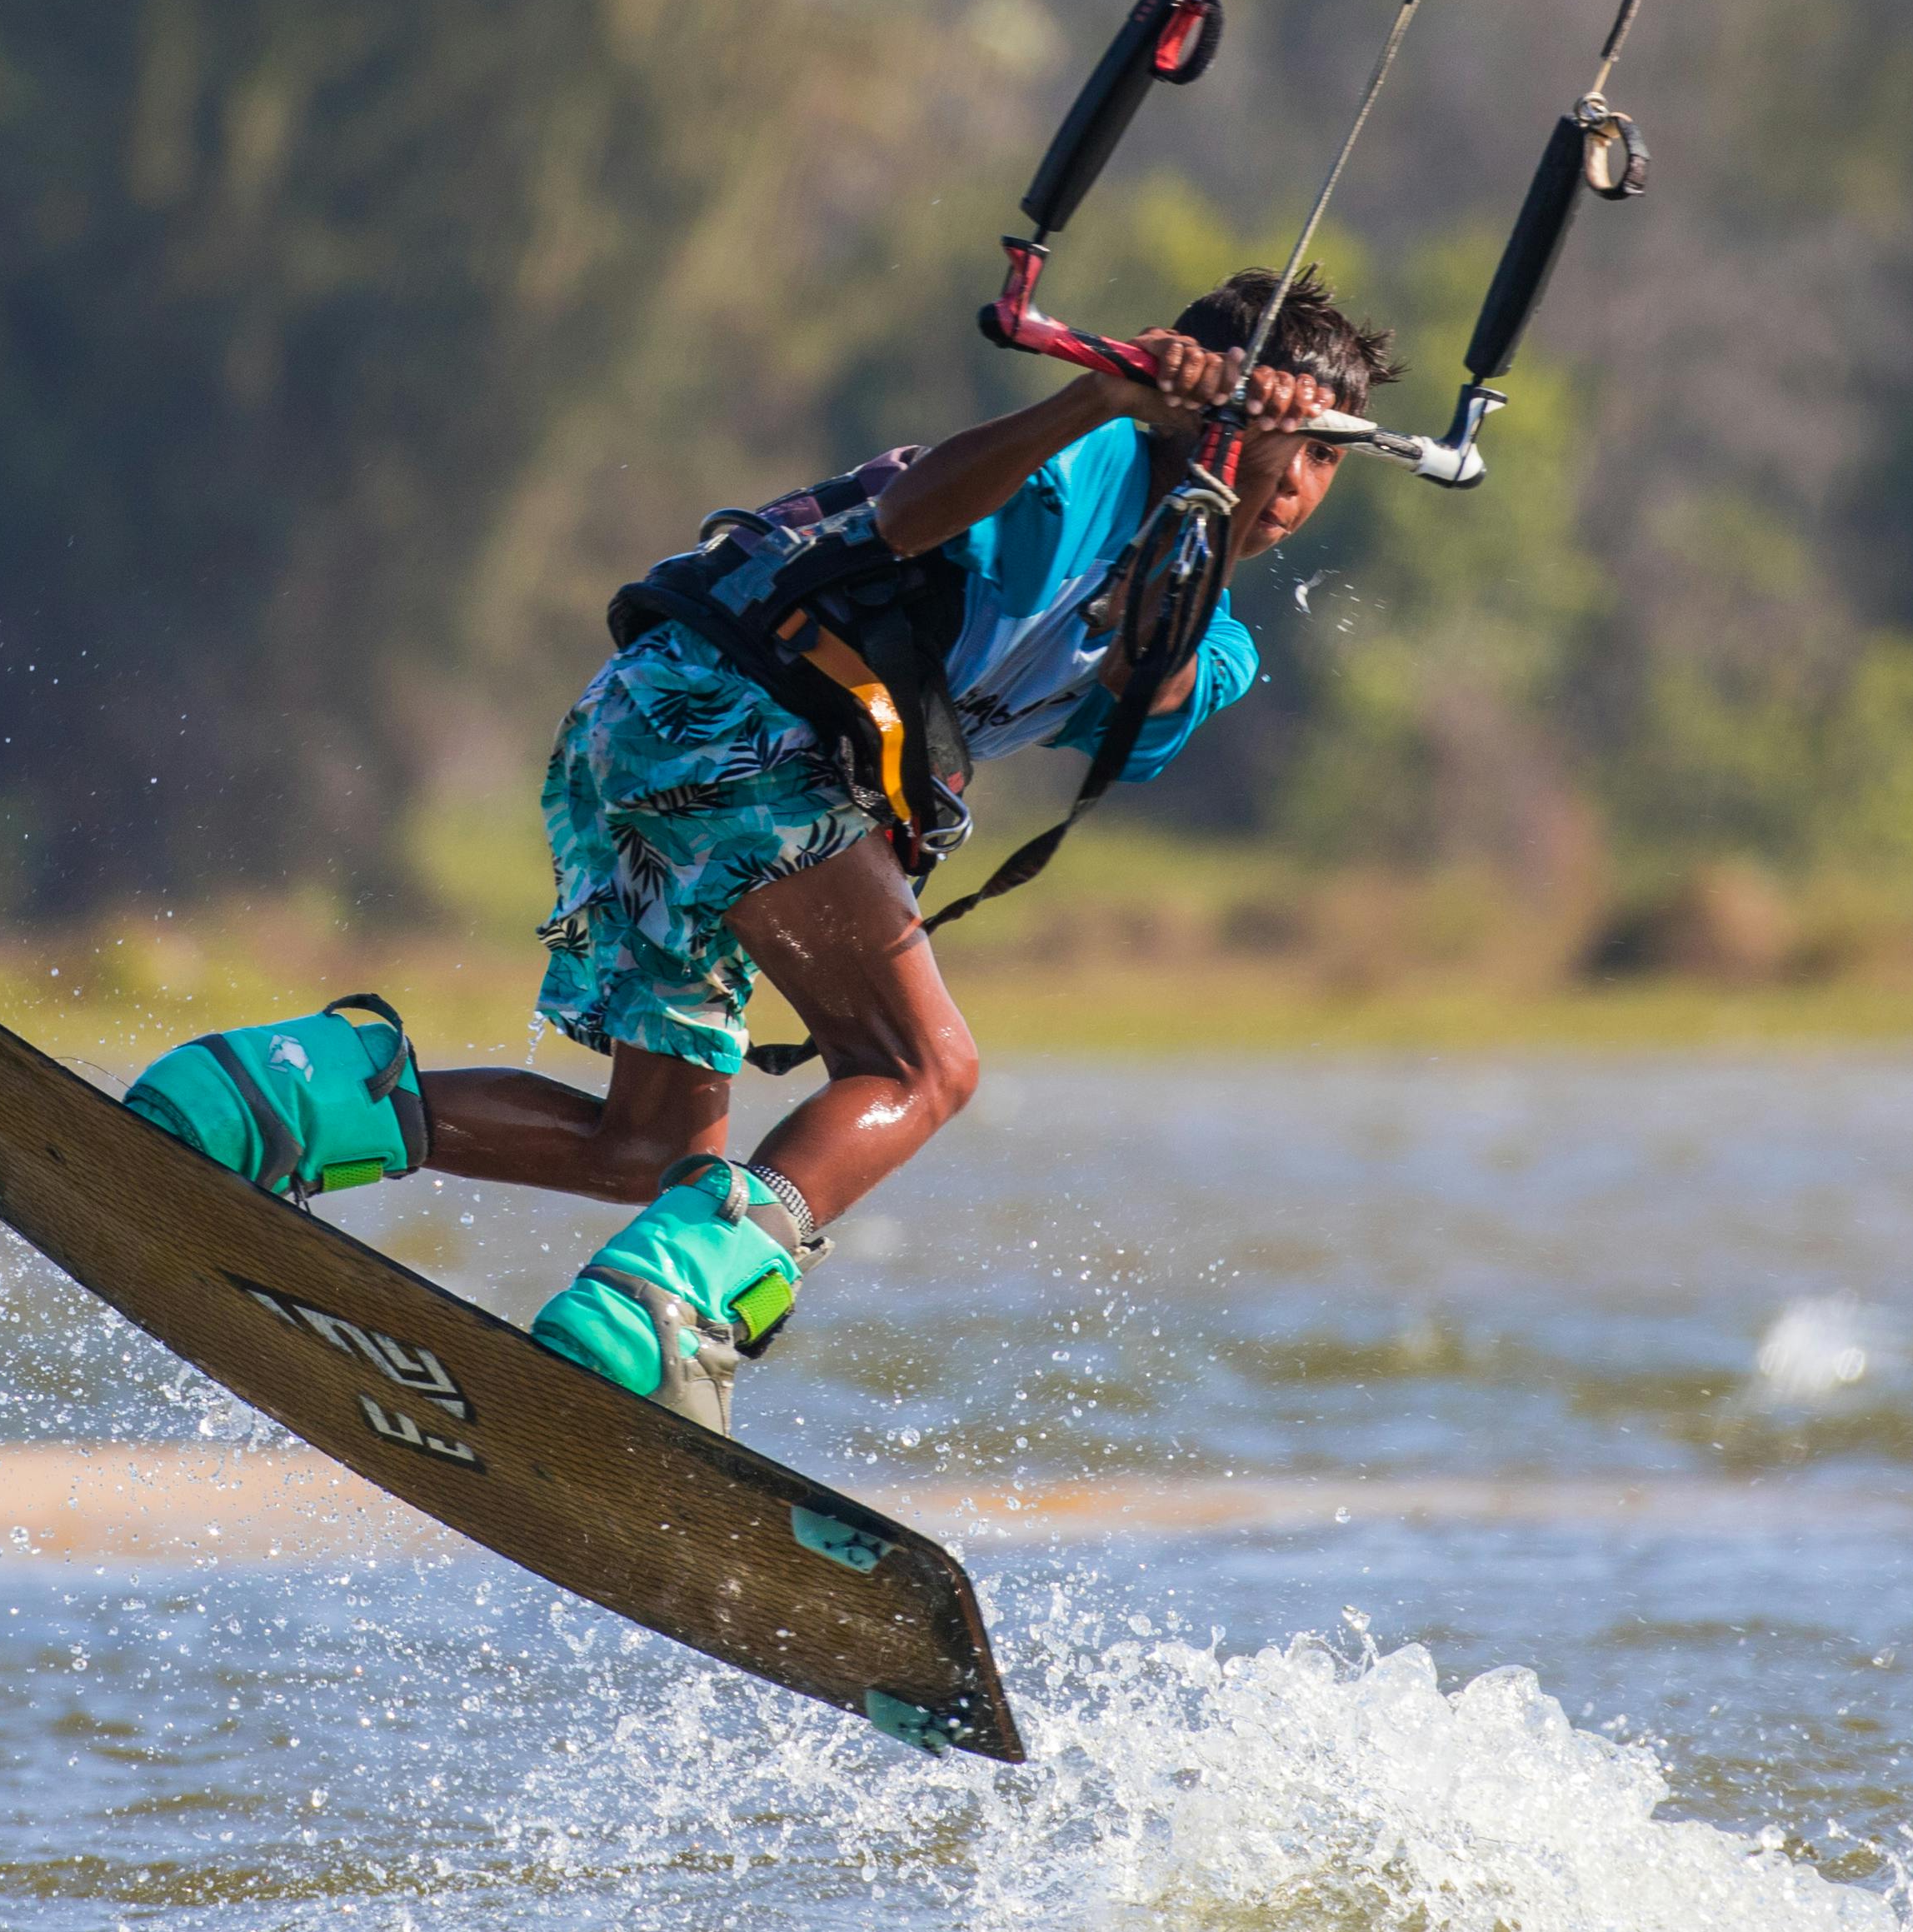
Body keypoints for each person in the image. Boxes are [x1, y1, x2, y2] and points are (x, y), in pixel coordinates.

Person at [120, 267, 1383, 1427]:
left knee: (651, 1149)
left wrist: (1209, 496)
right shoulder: (1077, 463)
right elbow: (908, 518)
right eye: (1291, 442)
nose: (1300, 484)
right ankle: (674, 1312)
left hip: (666, 748)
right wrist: (1101, 402)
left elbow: (1155, 681)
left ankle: (271, 1096)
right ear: (1204, 400)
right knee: (922, 1066)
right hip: (724, 721)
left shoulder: (1221, 646)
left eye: (1329, 461)